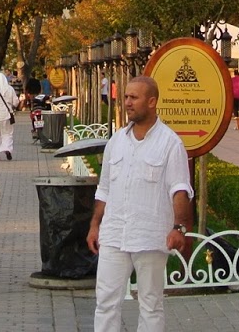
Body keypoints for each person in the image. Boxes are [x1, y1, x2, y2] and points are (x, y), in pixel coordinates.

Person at [87, 76, 194, 332]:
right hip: (114, 234)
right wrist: (95, 225)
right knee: (105, 302)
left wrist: (178, 228)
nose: (127, 102)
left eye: (134, 97)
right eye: (126, 97)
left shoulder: (170, 143)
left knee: (150, 304)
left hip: (150, 236)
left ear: (152, 101)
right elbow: (104, 188)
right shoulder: (116, 141)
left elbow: (180, 189)